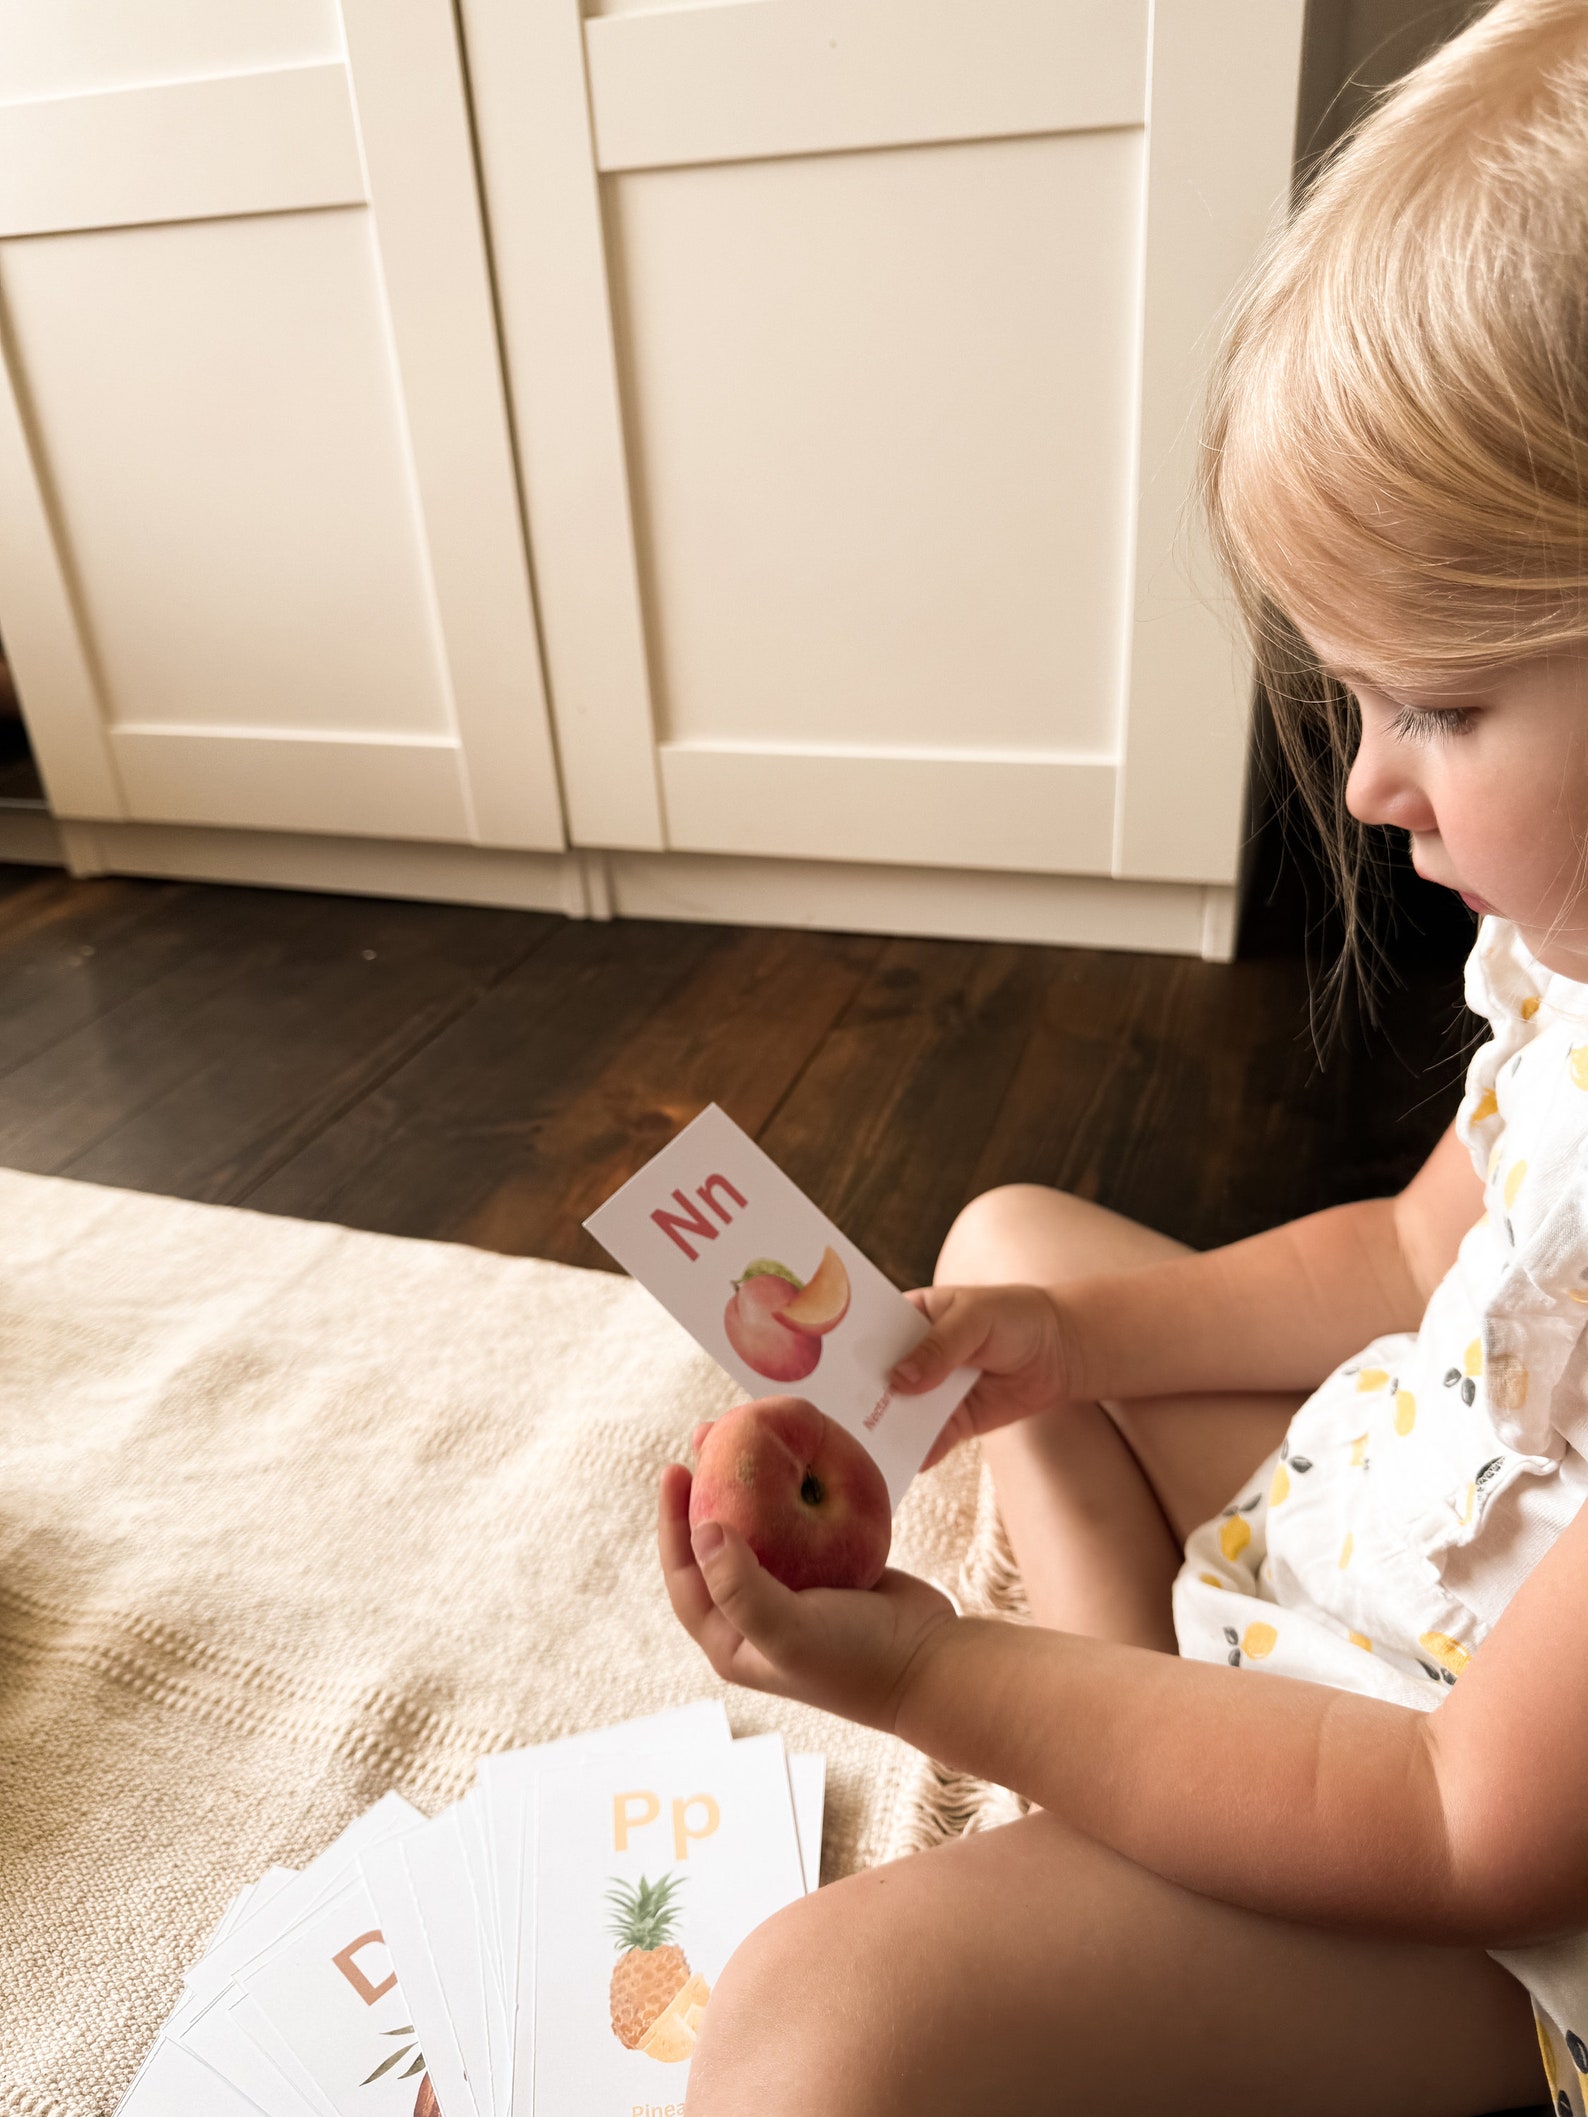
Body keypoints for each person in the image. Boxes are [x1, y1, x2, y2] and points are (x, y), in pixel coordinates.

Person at [658, 3, 1588, 2109]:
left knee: (819, 2029)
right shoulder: (1568, 966)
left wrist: (938, 1675)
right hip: (1386, 1562)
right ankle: (1128, 1769)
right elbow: (1404, 1259)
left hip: (1469, 1893)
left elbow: (1457, 1820)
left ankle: (1105, 1789)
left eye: (1432, 706)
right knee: (1013, 1250)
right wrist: (1069, 1353)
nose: (1365, 788)